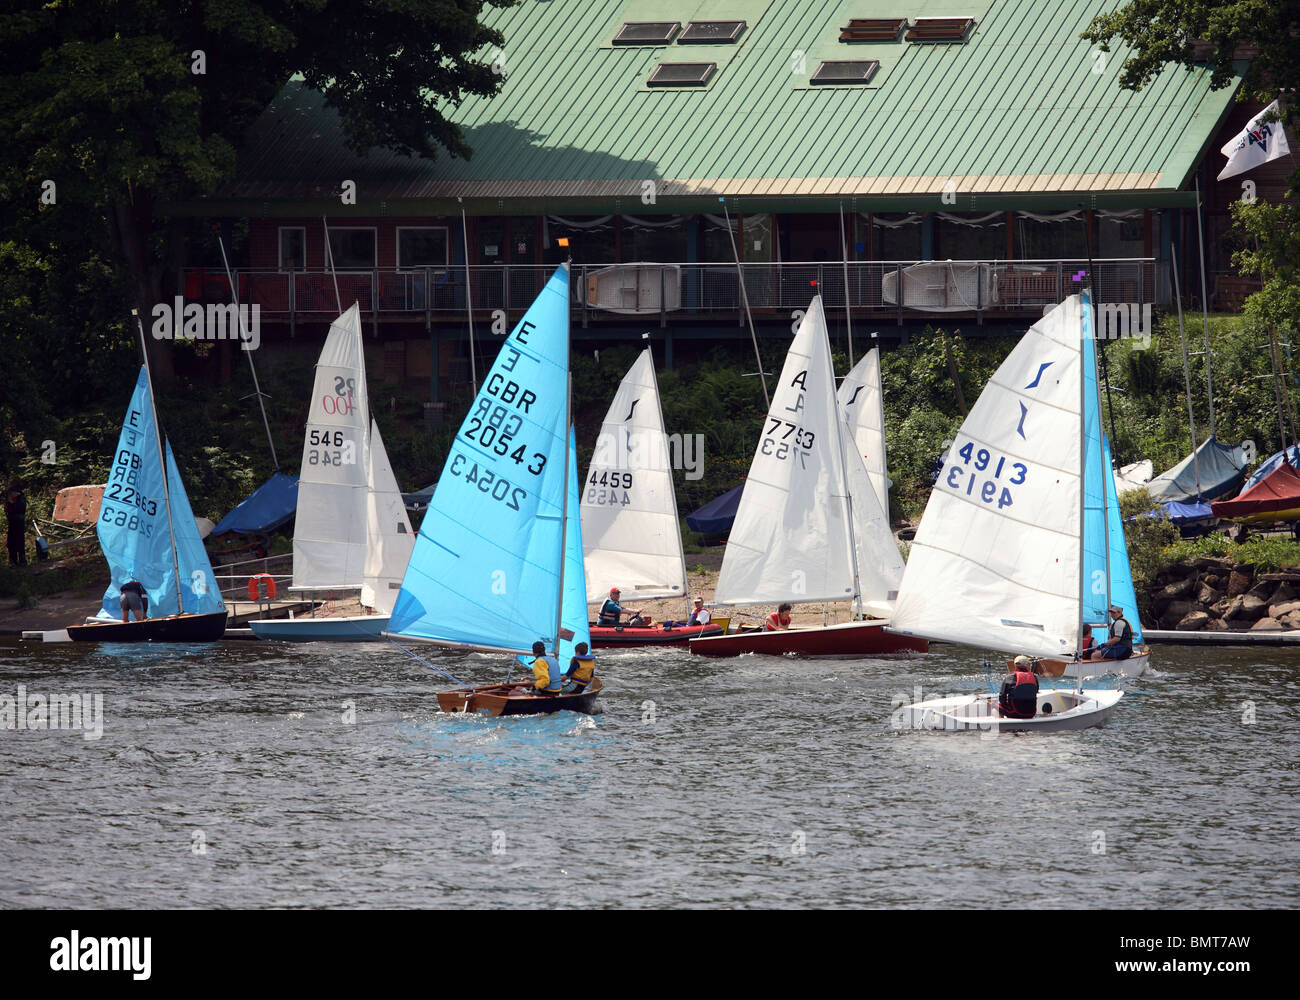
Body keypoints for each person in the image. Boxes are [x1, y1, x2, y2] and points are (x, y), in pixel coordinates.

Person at [5, 487, 27, 566]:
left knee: (20, 541)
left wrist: (11, 503)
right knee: (11, 542)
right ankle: (13, 560)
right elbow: (8, 511)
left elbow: (19, 510)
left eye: (12, 492)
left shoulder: (21, 499)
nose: (11, 494)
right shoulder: (10, 499)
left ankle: (22, 560)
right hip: (12, 524)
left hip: (19, 523)